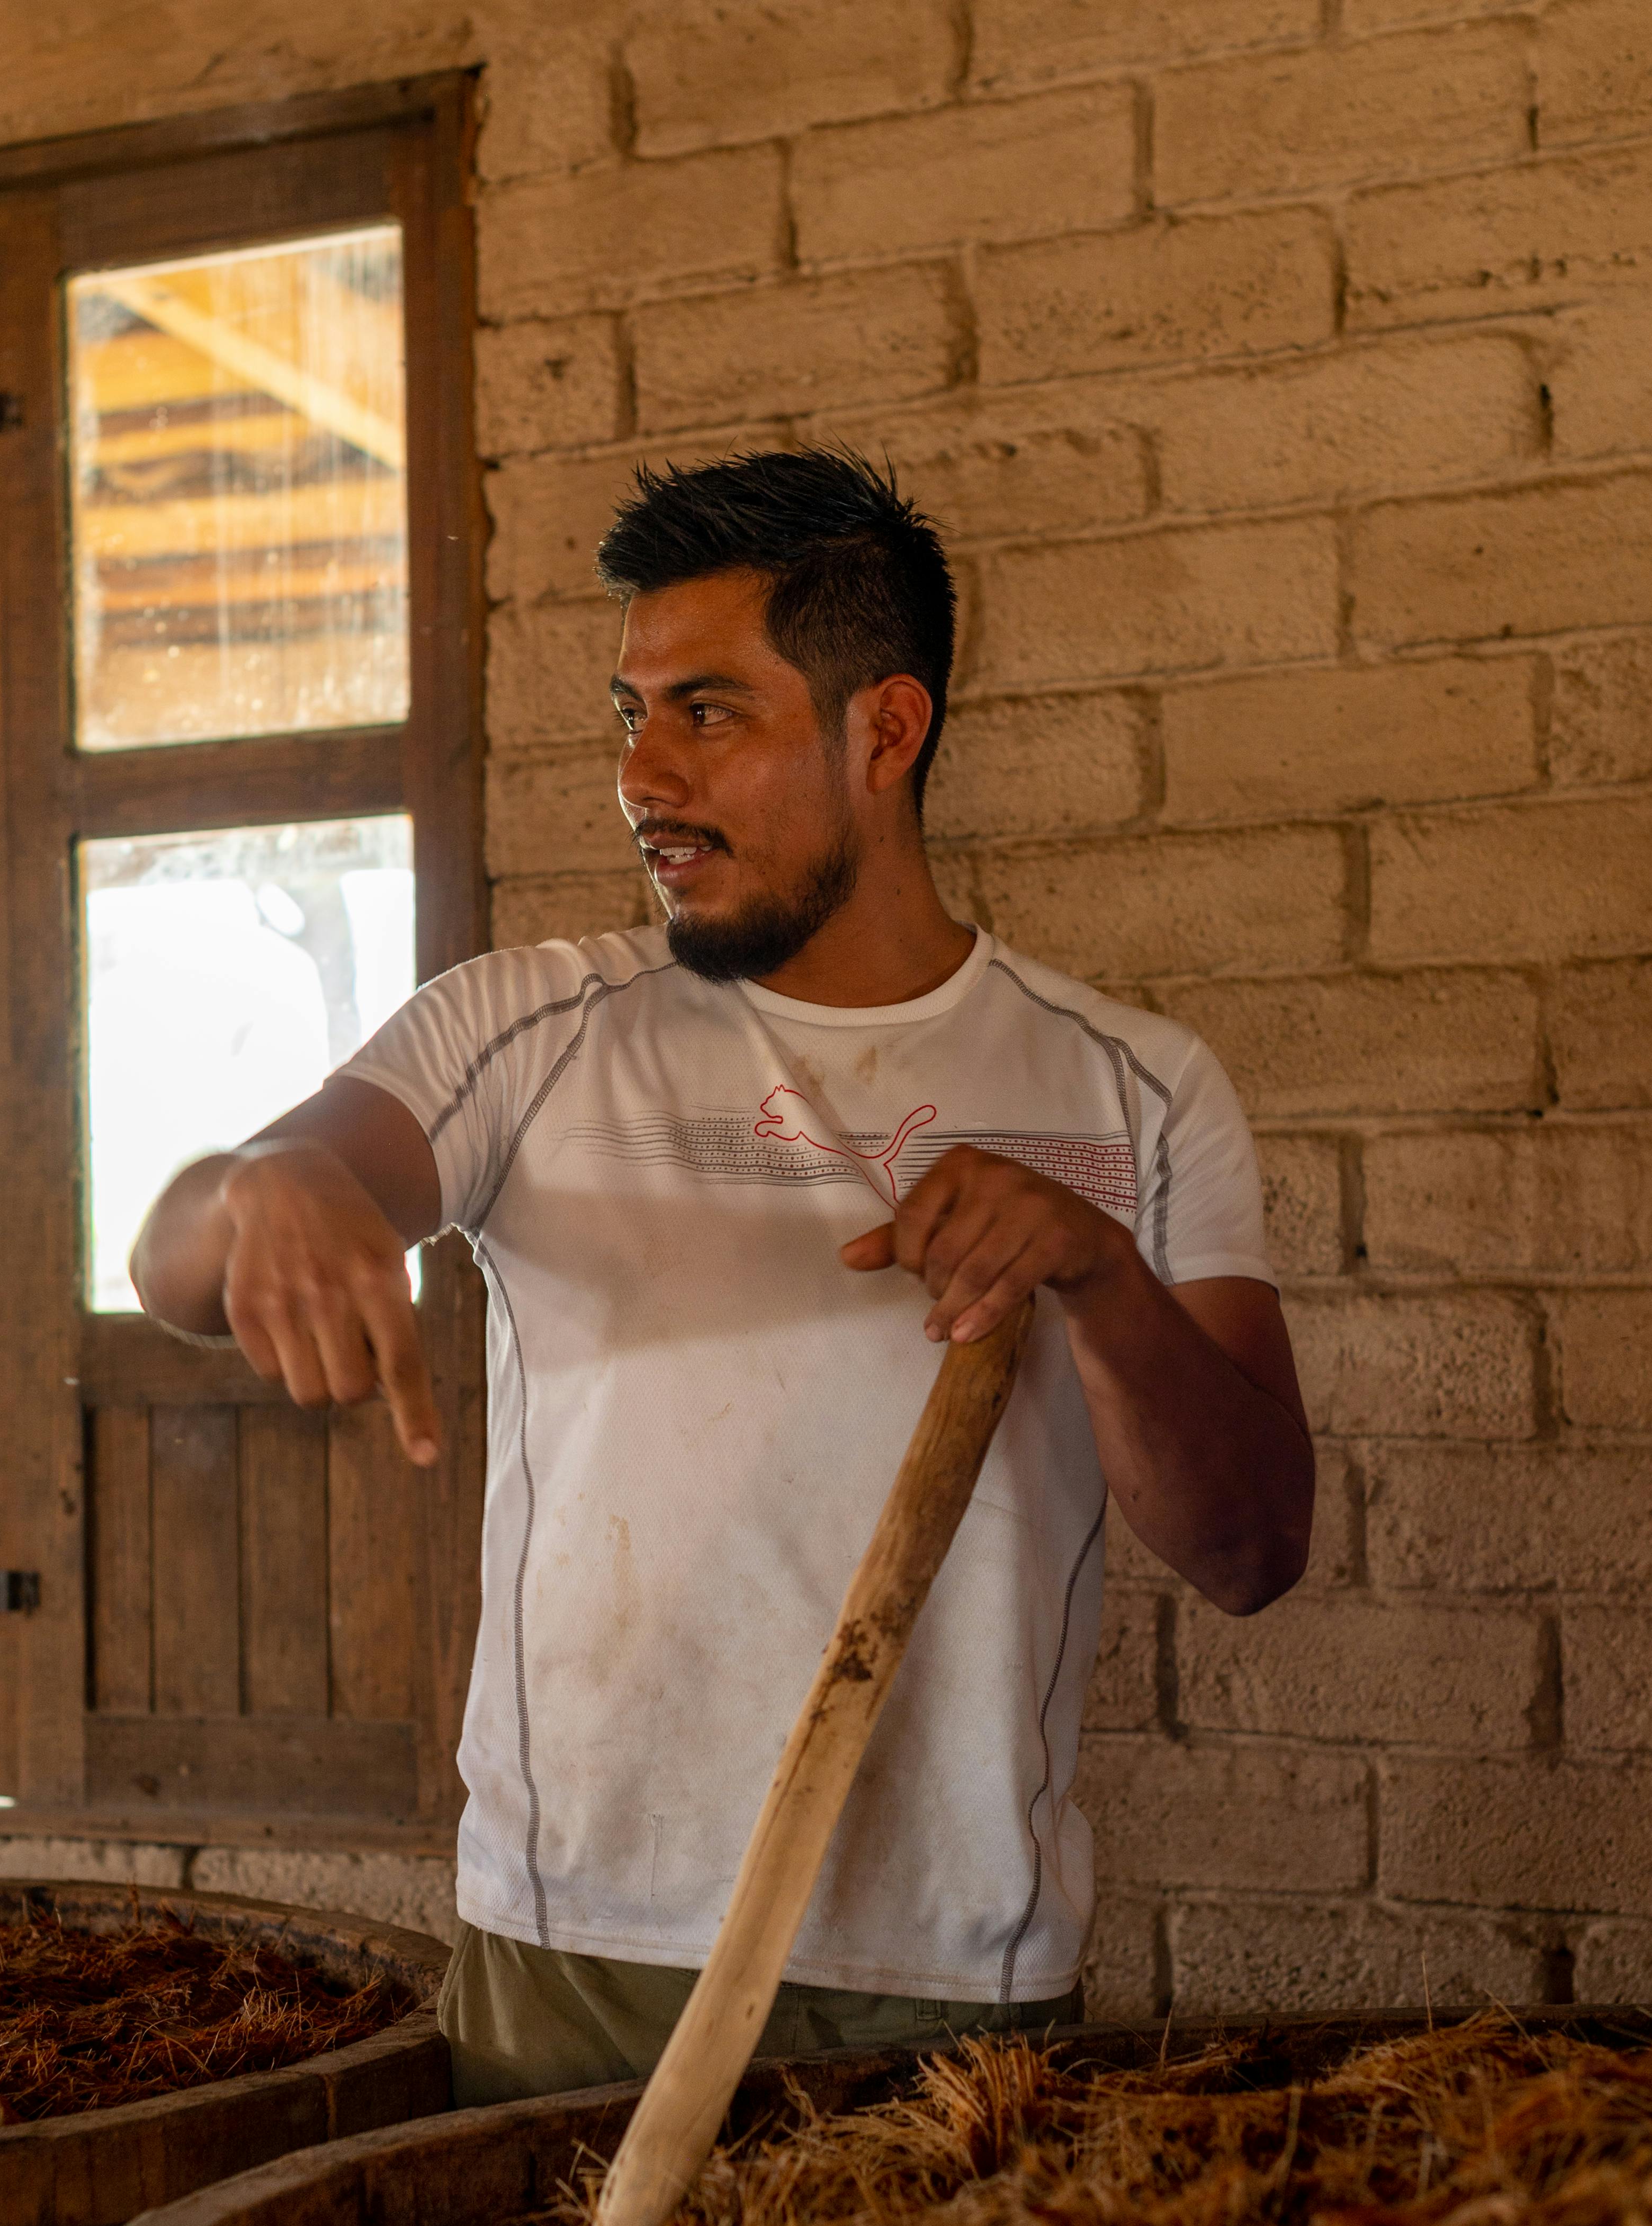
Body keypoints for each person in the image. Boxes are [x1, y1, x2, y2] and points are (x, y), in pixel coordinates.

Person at [131, 449, 1314, 2105]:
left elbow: (1255, 1546)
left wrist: (1100, 1282)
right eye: (628, 713)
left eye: (707, 712)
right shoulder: (526, 1031)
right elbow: (175, 1256)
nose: (641, 775)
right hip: (578, 1954)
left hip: (955, 1976)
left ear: (883, 731)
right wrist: (269, 1187)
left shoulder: (1134, 1087)